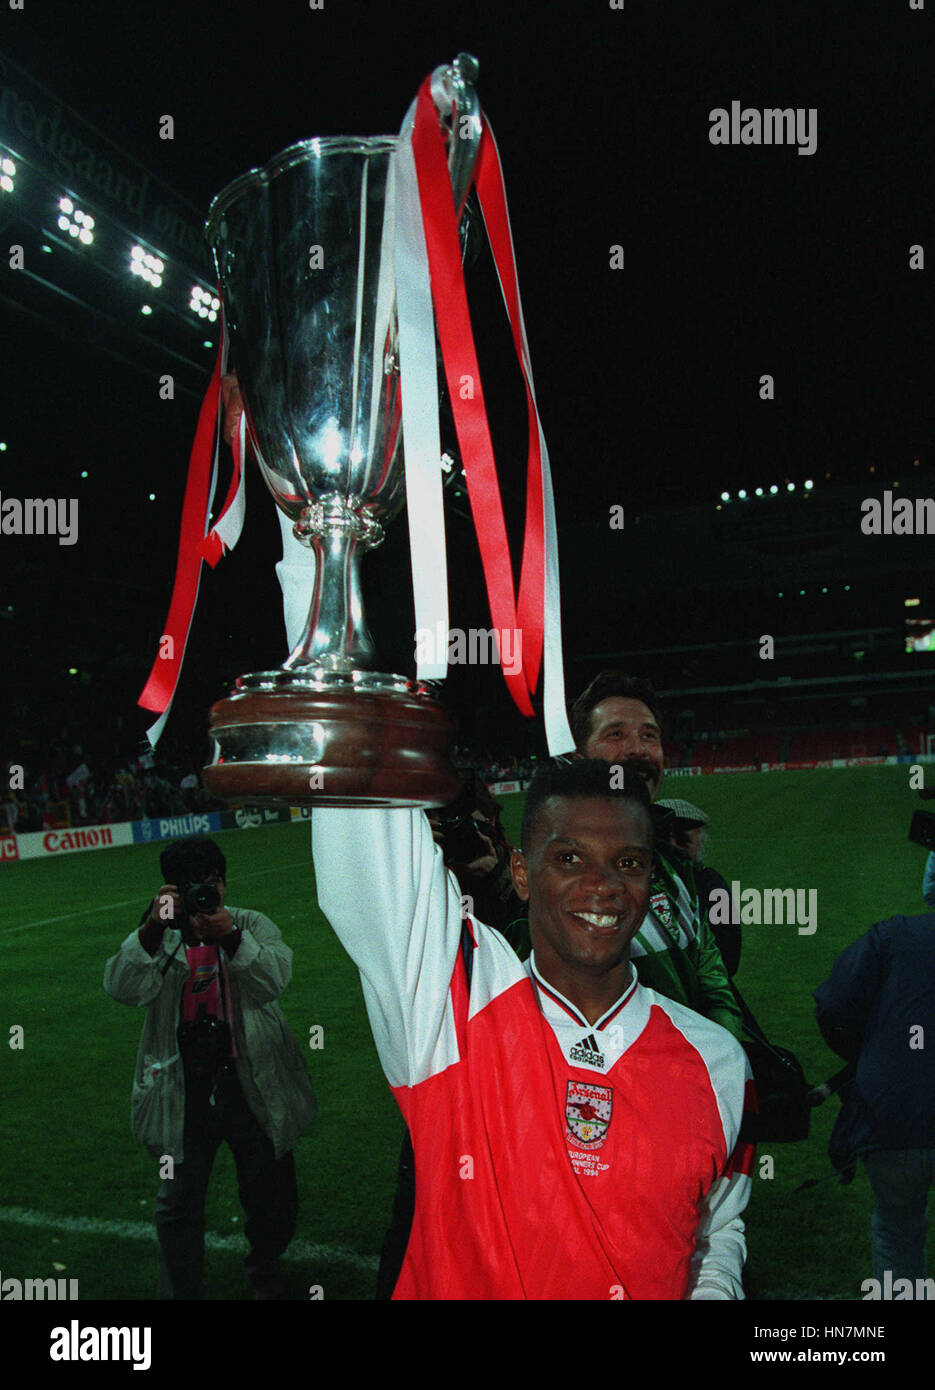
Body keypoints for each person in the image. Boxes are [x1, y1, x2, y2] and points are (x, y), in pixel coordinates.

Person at [313, 757, 753, 1299]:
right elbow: (366, 845)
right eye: (570, 858)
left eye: (629, 863)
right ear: (521, 873)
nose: (604, 886)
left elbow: (716, 1229)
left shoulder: (718, 1063)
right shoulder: (452, 1011)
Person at [104, 836, 316, 1300]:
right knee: (177, 1201)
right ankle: (181, 1291)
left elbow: (274, 981)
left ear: (223, 881)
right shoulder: (160, 936)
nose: (204, 892)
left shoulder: (249, 924)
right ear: (170, 889)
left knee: (270, 1194)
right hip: (182, 1090)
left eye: (212, 882)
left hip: (249, 1081)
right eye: (191, 886)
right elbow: (121, 987)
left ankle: (265, 1267)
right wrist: (152, 930)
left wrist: (230, 936)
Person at [569, 672, 742, 1037]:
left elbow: (714, 985)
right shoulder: (544, 878)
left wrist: (721, 1057)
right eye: (615, 734)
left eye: (649, 735)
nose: (638, 749)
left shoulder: (676, 871)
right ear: (578, 759)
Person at [813, 911, 935, 1286]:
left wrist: (869, 1054)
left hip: (896, 1112)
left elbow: (834, 1005)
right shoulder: (893, 936)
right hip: (899, 1110)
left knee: (898, 1232)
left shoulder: (894, 935)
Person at [655, 796, 742, 978]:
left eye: (683, 842)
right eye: (662, 841)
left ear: (700, 844)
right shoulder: (634, 885)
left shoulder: (712, 886)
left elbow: (727, 957)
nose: (673, 849)